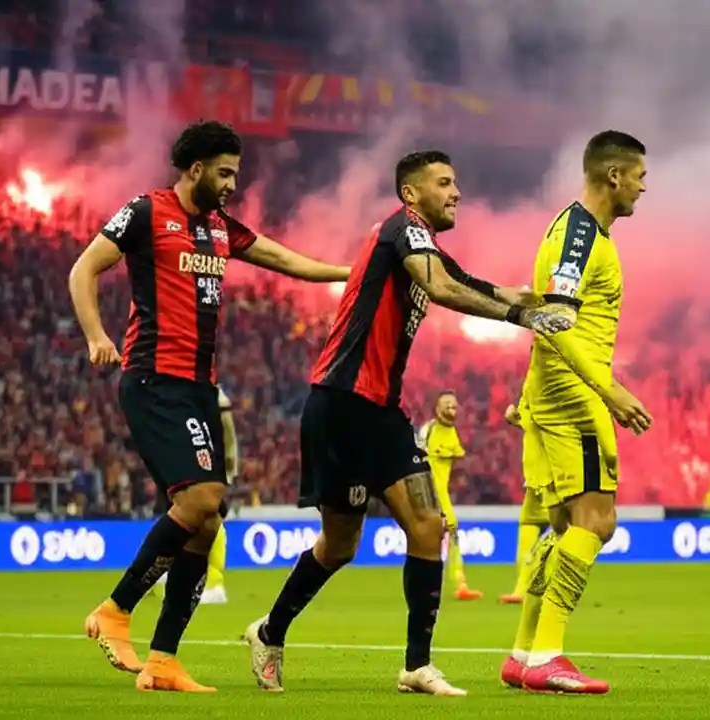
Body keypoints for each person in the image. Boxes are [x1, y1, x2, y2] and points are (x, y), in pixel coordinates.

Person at [242, 149, 573, 696]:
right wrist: (521, 316)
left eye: (456, 182)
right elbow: (444, 290)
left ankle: (417, 665)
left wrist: (547, 300)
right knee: (340, 545)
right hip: (340, 403)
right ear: (411, 194)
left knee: (427, 526)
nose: (457, 192)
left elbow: (482, 288)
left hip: (381, 411)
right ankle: (269, 632)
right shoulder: (403, 230)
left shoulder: (427, 249)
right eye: (444, 182)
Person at [69, 120, 350, 693]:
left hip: (198, 386)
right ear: (195, 169)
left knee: (205, 523)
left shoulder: (222, 228)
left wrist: (356, 272)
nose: (232, 184)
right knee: (201, 499)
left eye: (235, 174)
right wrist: (96, 335)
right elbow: (83, 269)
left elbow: (289, 261)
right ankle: (115, 610)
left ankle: (163, 660)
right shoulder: (146, 211)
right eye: (224, 173)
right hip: (153, 378)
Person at [500, 130, 654, 695]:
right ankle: (548, 653)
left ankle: (523, 652)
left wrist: (527, 397)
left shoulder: (573, 229)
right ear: (614, 175)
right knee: (596, 522)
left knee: (562, 526)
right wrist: (607, 389)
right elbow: (558, 320)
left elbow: (544, 313)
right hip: (575, 396)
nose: (643, 187)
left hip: (551, 392)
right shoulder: (580, 237)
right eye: (639, 175)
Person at [150, 383, 238, 604]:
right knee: (181, 513)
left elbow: (226, 431)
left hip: (206, 463)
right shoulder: (179, 384)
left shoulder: (209, 390)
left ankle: (214, 583)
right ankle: (175, 568)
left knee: (209, 516)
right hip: (181, 461)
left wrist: (228, 466)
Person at [417, 390, 484, 601]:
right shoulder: (428, 430)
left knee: (447, 533)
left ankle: (454, 583)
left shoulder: (453, 433)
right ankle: (447, 583)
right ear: (437, 409)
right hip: (427, 493)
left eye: (454, 404)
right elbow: (416, 458)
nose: (450, 407)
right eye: (446, 403)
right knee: (438, 536)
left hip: (441, 495)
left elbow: (458, 466)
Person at [499, 393, 551, 605]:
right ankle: (521, 592)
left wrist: (516, 417)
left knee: (555, 541)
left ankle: (546, 589)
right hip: (532, 485)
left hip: (552, 485)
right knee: (526, 544)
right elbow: (528, 422)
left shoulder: (553, 411)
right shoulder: (533, 406)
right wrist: (516, 418)